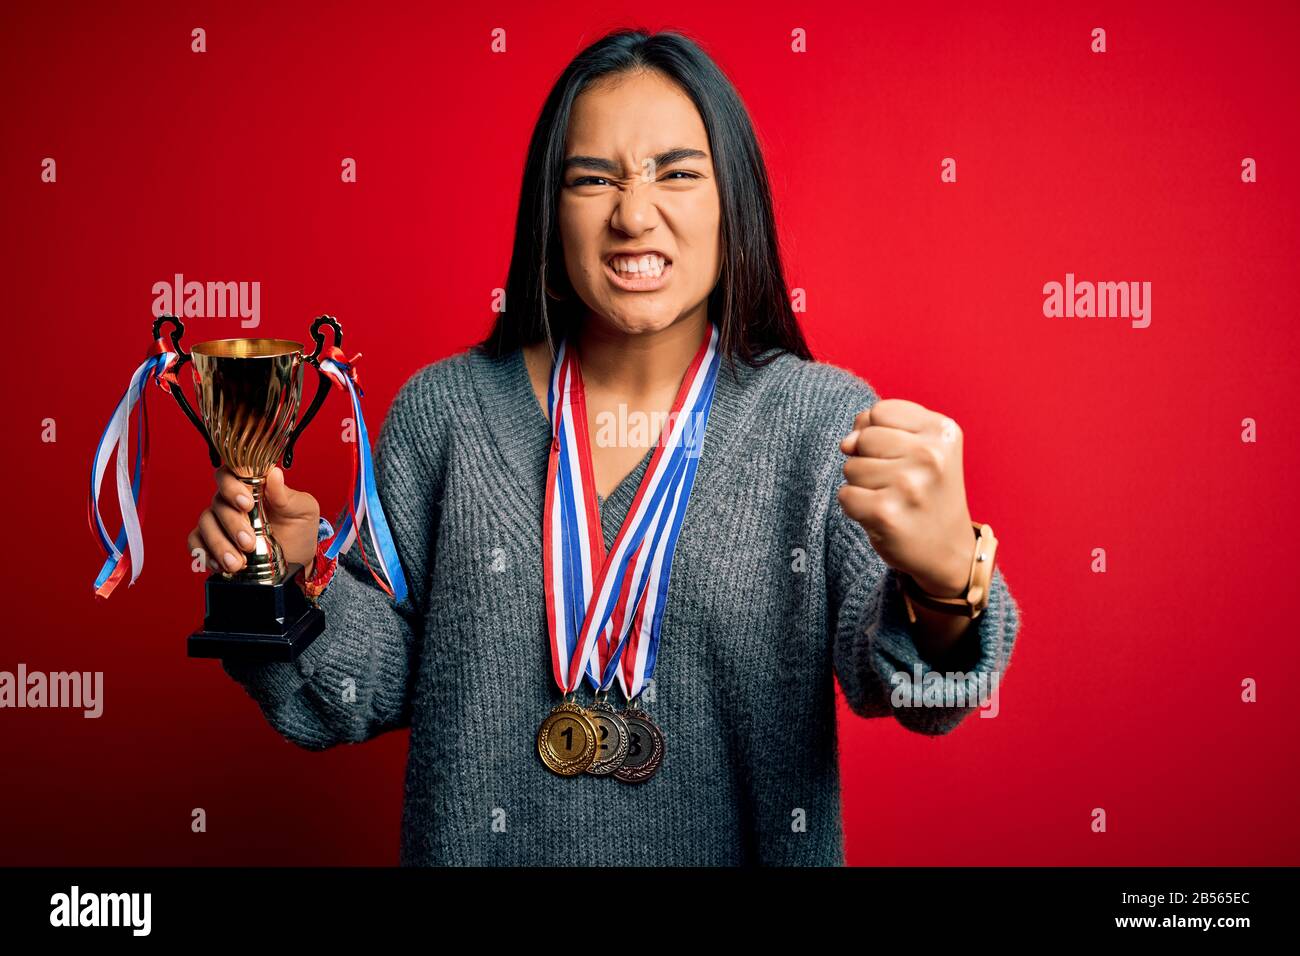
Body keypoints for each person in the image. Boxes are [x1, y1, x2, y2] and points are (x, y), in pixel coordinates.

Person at [189, 28, 1021, 866]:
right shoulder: (446, 412)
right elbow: (356, 694)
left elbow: (920, 693)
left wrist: (950, 576)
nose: (632, 212)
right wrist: (286, 581)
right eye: (592, 180)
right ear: (549, 215)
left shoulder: (818, 423)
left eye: (678, 171)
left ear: (735, 201)